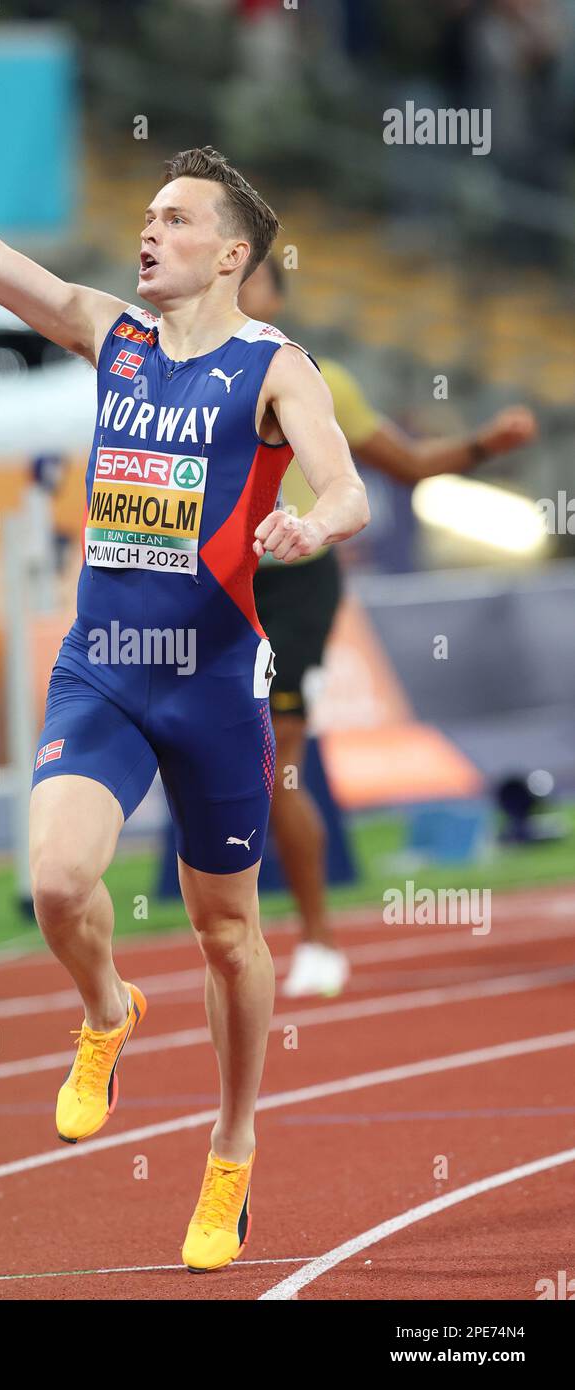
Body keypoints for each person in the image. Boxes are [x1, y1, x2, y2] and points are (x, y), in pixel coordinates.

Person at [0, 81, 370, 1271]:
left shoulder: (272, 368)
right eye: (144, 216)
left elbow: (344, 483)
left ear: (230, 254)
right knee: (54, 882)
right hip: (101, 669)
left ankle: (231, 1145)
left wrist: (309, 524)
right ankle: (106, 1008)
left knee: (225, 933)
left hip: (208, 685)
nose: (148, 232)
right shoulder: (112, 333)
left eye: (174, 219)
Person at [238, 253, 538, 997]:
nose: (237, 285)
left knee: (280, 761)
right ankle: (229, 935)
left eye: (254, 275)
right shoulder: (181, 377)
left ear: (277, 294)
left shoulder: (319, 380)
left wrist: (485, 445)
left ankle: (317, 940)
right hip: (214, 584)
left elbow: (406, 466)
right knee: (218, 763)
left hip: (294, 585)